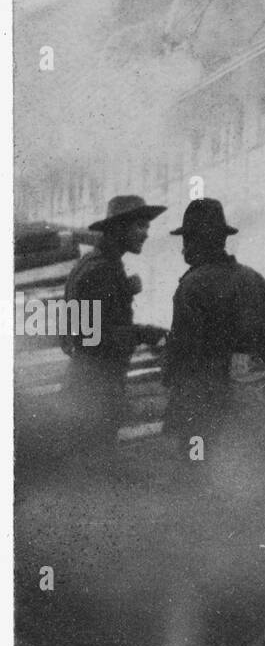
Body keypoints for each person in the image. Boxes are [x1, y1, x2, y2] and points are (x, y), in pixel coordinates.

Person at [162, 199, 265, 488]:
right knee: (249, 478)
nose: (184, 247)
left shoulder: (191, 286)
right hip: (253, 399)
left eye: (188, 239)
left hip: (205, 404)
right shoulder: (252, 280)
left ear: (198, 241)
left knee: (197, 474)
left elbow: (182, 355)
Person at [61, 195, 168, 465]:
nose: (146, 233)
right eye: (140, 226)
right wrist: (145, 333)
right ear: (119, 228)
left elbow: (74, 333)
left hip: (88, 388)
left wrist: (123, 289)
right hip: (94, 393)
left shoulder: (93, 265)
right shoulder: (101, 271)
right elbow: (90, 338)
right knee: (96, 473)